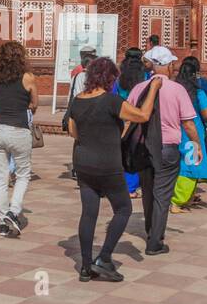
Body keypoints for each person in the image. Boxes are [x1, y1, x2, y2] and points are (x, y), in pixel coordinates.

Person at [66, 57, 160, 282]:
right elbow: (142, 115)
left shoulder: (77, 100)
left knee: (89, 213)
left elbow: (73, 132)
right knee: (123, 208)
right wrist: (154, 88)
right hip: (107, 164)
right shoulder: (111, 101)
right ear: (109, 78)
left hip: (83, 162)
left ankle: (85, 267)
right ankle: (104, 257)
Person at [127, 52, 199, 257]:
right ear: (168, 66)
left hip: (143, 147)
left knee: (148, 192)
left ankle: (151, 231)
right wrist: (196, 143)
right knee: (162, 195)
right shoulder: (177, 89)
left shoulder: (139, 88)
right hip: (167, 147)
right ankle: (155, 242)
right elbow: (187, 122)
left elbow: (129, 117)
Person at [0, 42, 38, 238]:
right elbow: (34, 104)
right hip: (18, 130)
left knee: (0, 178)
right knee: (23, 174)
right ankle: (14, 211)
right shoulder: (28, 78)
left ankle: (3, 222)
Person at [171, 57, 207, 213]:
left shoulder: (174, 88)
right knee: (191, 166)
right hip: (192, 132)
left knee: (178, 164)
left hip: (174, 129)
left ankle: (183, 197)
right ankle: (177, 201)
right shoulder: (198, 91)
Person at [116, 52, 148, 197]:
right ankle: (133, 186)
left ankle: (127, 185)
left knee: (125, 151)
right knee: (137, 151)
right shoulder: (144, 80)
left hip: (122, 118)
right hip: (138, 119)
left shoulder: (119, 81)